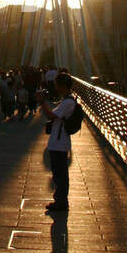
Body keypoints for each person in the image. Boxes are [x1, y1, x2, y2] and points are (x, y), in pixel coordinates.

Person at [39, 71, 76, 214]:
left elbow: (51, 115)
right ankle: (59, 200)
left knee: (60, 174)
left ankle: (61, 202)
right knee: (58, 173)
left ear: (62, 86)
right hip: (58, 142)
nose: (55, 88)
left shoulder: (68, 102)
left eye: (57, 85)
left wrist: (42, 102)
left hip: (60, 143)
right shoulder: (67, 101)